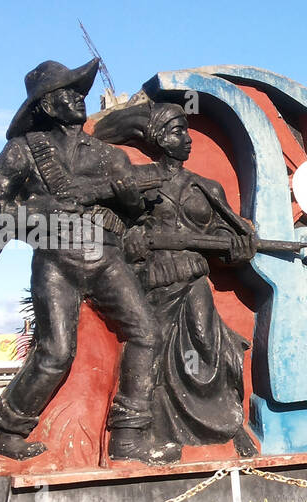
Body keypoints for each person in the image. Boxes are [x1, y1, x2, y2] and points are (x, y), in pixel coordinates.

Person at [0, 59, 158, 462]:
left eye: (80, 92)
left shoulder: (108, 157)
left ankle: (127, 436)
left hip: (105, 255)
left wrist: (126, 196)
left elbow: (135, 212)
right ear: (48, 107)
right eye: (68, 93)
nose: (79, 99)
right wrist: (36, 214)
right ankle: (8, 431)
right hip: (56, 257)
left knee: (145, 334)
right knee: (55, 353)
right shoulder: (25, 151)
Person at [94, 100, 258, 462]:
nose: (187, 138)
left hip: (192, 277)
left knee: (208, 342)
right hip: (154, 282)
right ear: (158, 139)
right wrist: (132, 241)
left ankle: (229, 424)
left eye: (186, 129)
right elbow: (110, 227)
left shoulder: (206, 188)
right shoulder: (138, 183)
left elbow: (236, 240)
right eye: (176, 131)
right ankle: (149, 433)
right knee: (156, 355)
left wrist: (242, 247)